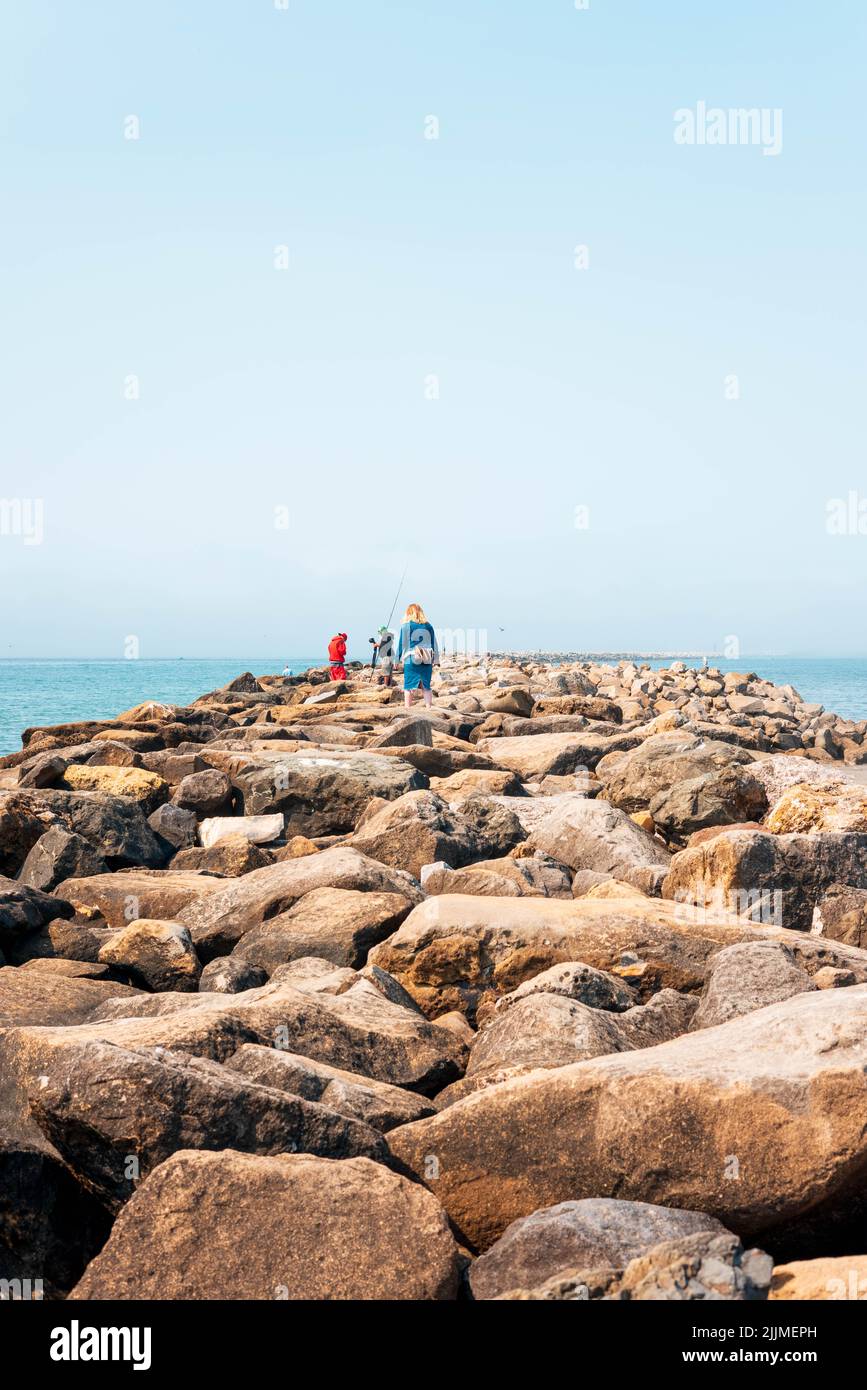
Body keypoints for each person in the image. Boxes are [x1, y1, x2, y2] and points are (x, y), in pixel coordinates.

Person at [396, 603, 438, 708]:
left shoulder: (406, 626)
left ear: (408, 613)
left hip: (411, 658)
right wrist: (436, 659)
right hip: (427, 659)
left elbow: (401, 644)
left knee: (409, 686)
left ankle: (407, 708)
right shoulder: (428, 625)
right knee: (426, 686)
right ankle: (429, 707)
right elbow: (434, 644)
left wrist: (396, 660)